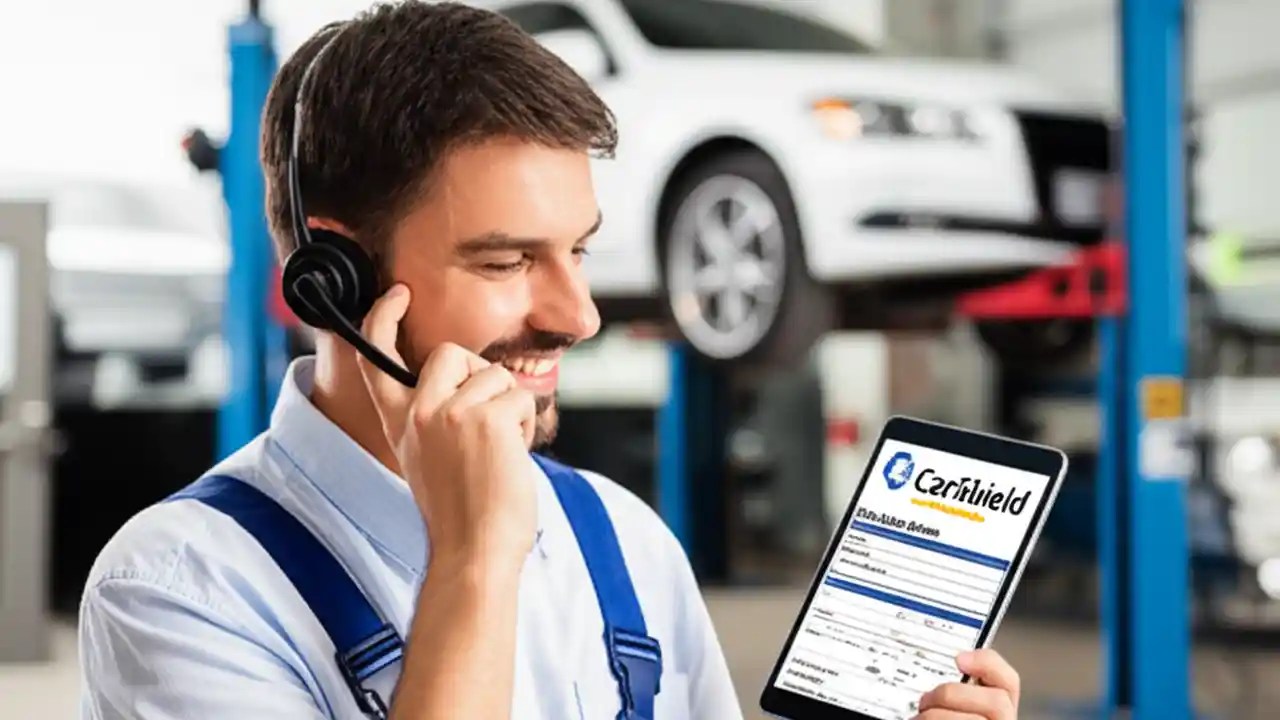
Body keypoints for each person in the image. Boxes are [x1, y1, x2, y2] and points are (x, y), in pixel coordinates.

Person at [77, 2, 1024, 719]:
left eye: (577, 250)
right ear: (336, 279)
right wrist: (475, 556)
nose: (578, 315)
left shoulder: (622, 541)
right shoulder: (181, 589)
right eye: (505, 260)